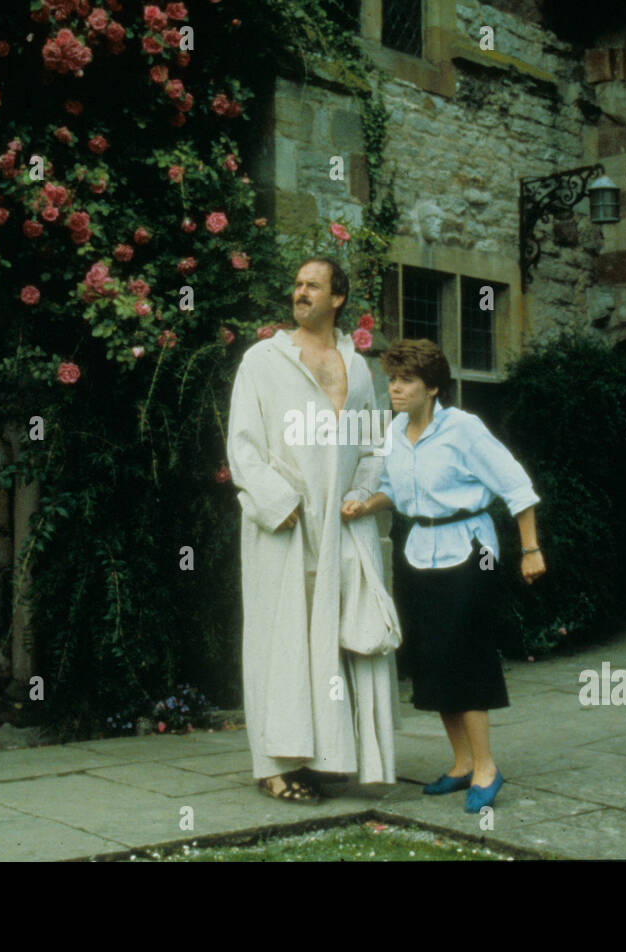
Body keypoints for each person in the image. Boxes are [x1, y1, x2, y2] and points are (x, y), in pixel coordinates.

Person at [341, 338, 545, 813]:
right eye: (391, 379)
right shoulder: (394, 432)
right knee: (433, 659)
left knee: (466, 655)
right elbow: (393, 490)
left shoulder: (463, 430)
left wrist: (531, 549)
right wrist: (363, 506)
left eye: (406, 380)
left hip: (470, 553)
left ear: (432, 387)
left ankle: (487, 767)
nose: (395, 388)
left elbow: (516, 486)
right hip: (419, 555)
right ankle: (460, 764)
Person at [226, 257, 400, 804]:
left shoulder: (361, 368)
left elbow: (376, 445)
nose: (299, 293)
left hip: (342, 525)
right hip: (284, 523)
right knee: (280, 641)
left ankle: (325, 757)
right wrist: (279, 503)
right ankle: (274, 765)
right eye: (296, 284)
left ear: (338, 298)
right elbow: (243, 446)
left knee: (335, 639)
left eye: (312, 285)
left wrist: (359, 495)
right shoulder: (263, 360)